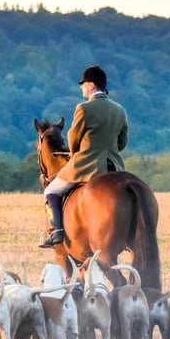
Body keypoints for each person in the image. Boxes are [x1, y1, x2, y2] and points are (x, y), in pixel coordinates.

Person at [39, 64, 129, 248]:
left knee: (50, 191)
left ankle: (56, 232)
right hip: (114, 166)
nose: (82, 89)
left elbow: (73, 137)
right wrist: (111, 151)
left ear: (91, 85)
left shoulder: (84, 108)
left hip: (87, 165)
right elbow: (122, 141)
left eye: (83, 85)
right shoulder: (119, 110)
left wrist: (76, 154)